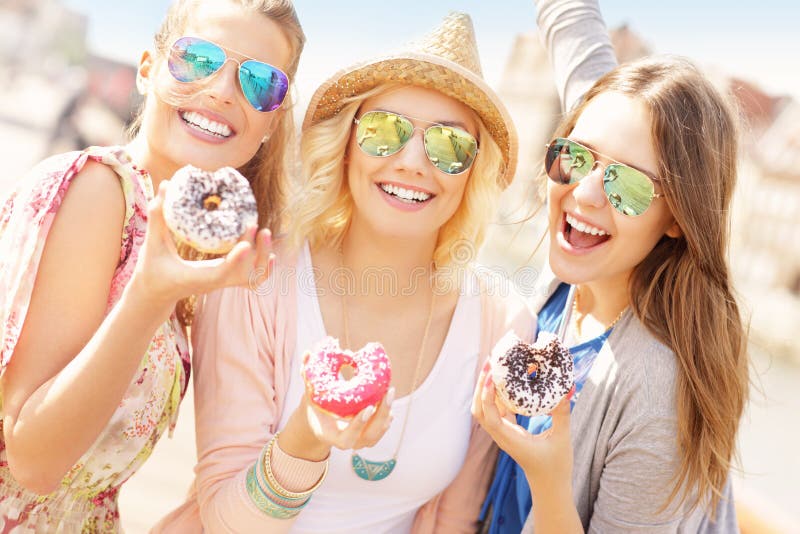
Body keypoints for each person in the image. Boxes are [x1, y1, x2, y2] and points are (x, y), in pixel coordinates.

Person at [154, 12, 533, 534]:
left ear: (474, 172)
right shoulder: (255, 281)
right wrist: (307, 436)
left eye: (450, 145)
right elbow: (224, 518)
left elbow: (457, 518)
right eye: (385, 131)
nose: (413, 162)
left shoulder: (501, 322)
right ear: (347, 142)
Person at [0, 0, 304, 530]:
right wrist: (148, 297)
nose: (222, 91)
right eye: (199, 59)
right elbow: (31, 461)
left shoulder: (183, 243)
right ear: (148, 69)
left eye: (259, 81)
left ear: (272, 122)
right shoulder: (95, 190)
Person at [474, 0, 749, 532]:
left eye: (629, 185)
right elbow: (578, 39)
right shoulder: (601, 166)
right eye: (577, 157)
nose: (586, 192)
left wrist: (549, 482)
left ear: (678, 218)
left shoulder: (657, 391)